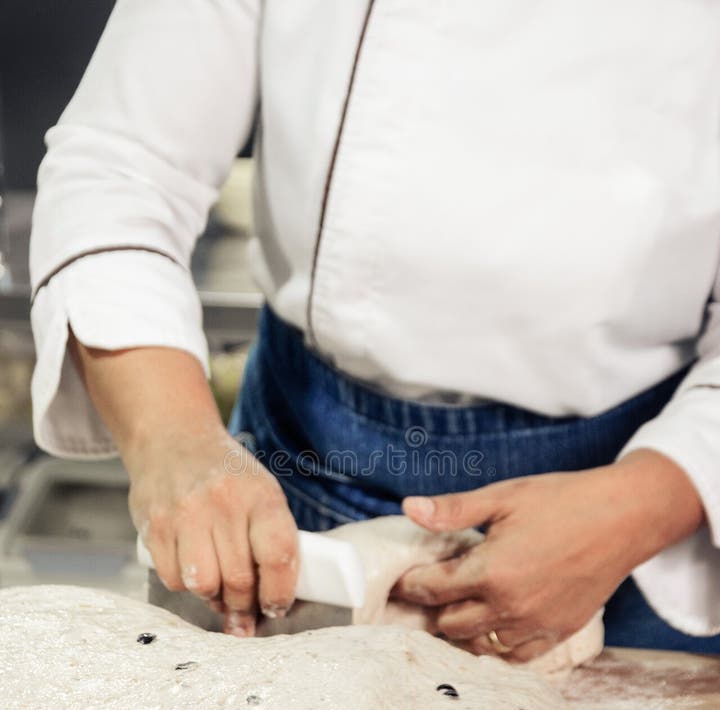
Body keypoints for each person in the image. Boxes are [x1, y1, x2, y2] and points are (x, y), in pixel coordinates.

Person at [30, 0, 720, 656]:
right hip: (294, 477)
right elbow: (121, 166)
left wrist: (652, 500)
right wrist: (173, 440)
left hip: (636, 522)